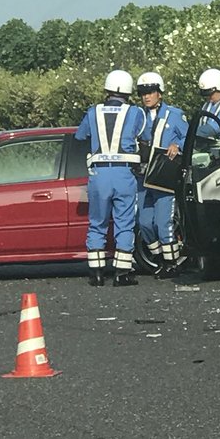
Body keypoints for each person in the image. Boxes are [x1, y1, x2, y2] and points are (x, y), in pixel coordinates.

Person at [74, 70, 147, 287]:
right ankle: (122, 274)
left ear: (107, 89)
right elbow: (145, 137)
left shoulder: (93, 112)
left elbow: (80, 136)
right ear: (128, 91)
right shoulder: (136, 113)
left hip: (99, 174)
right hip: (124, 173)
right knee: (124, 223)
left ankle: (96, 274)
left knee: (97, 222)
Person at [135, 71, 188, 279]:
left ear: (160, 93)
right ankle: (159, 258)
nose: (146, 97)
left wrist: (178, 145)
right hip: (143, 176)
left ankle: (171, 263)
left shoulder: (174, 115)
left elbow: (189, 137)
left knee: (163, 221)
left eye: (150, 92)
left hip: (163, 175)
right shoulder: (138, 116)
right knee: (144, 222)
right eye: (143, 93)